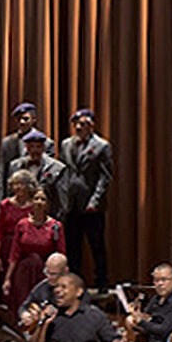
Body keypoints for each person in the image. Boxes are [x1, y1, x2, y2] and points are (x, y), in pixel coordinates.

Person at [60, 109, 114, 289]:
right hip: (71, 204)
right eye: (76, 123)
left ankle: (102, 283)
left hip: (92, 205)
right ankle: (74, 283)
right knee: (73, 247)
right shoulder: (66, 144)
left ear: (91, 126)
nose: (78, 127)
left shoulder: (101, 146)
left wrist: (95, 201)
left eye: (82, 124)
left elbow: (105, 177)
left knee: (96, 245)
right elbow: (65, 172)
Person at [3, 188, 65, 317]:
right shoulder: (22, 224)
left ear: (48, 204)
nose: (39, 202)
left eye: (43, 199)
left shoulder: (56, 226)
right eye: (36, 198)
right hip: (23, 272)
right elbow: (14, 253)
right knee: (22, 305)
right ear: (31, 201)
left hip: (45, 273)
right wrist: (8, 278)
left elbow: (61, 253)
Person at [9, 130, 68, 220]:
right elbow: (11, 194)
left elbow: (62, 202)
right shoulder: (15, 166)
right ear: (26, 148)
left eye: (38, 147)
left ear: (43, 147)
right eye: (31, 147)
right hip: (21, 219)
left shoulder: (57, 168)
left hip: (48, 219)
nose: (34, 150)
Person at [0, 102, 55, 191]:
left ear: (34, 119)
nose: (22, 122)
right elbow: (3, 171)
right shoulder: (7, 142)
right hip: (16, 191)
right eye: (18, 119)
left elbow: (49, 171)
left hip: (39, 191)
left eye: (25, 119)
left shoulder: (47, 143)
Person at [0, 170, 38, 270]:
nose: (17, 187)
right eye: (14, 184)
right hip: (7, 245)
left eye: (21, 184)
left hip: (26, 247)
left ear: (29, 186)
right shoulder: (5, 204)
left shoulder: (35, 205)